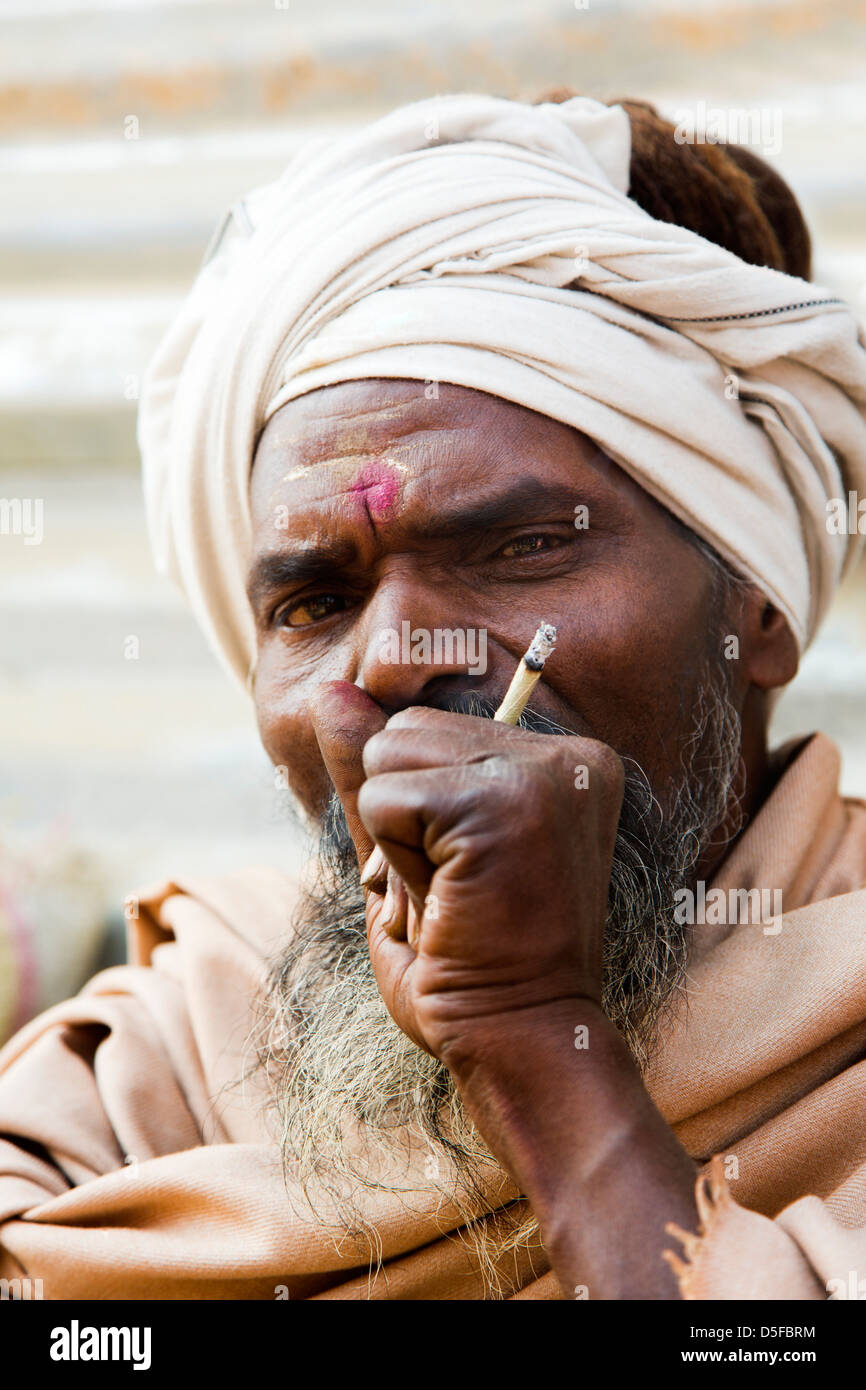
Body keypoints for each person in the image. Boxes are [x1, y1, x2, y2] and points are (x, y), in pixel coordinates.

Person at [1, 91, 866, 1301]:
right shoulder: (187, 1034)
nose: (400, 656)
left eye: (521, 547)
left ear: (756, 604)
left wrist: (532, 1042)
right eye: (311, 602)